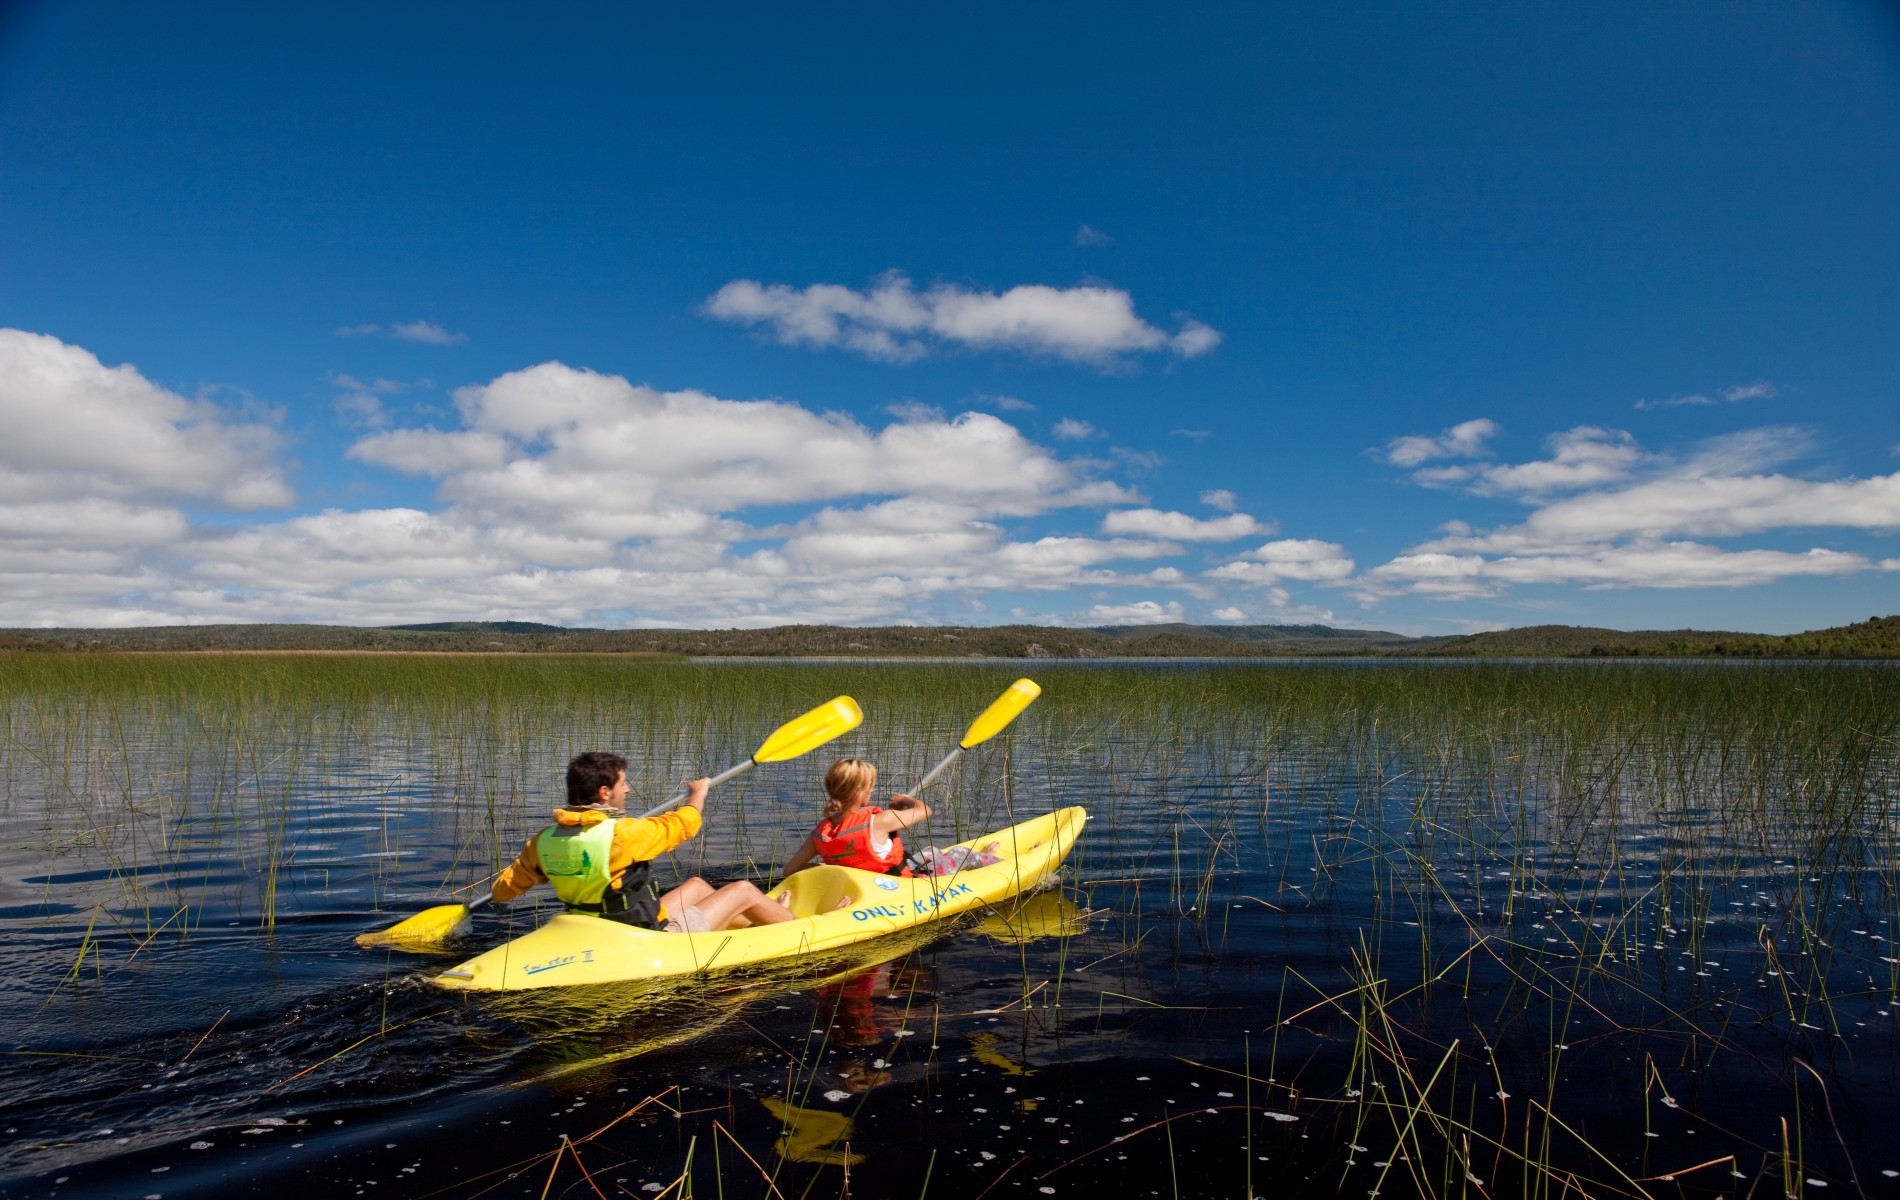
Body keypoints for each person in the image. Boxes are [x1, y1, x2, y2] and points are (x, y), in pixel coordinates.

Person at [491, 750, 796, 932]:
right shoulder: (624, 834)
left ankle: (760, 924)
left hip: (588, 929)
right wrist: (697, 796)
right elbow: (683, 824)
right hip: (647, 936)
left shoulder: (542, 842)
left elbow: (502, 892)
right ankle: (792, 925)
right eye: (623, 784)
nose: (628, 790)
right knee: (743, 889)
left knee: (698, 887)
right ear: (603, 792)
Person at [780, 757, 931, 877]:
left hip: (851, 895)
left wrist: (828, 868)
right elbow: (925, 810)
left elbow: (789, 871)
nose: (872, 790)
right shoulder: (882, 820)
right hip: (892, 891)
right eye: (870, 785)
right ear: (858, 790)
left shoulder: (820, 834)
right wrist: (904, 800)